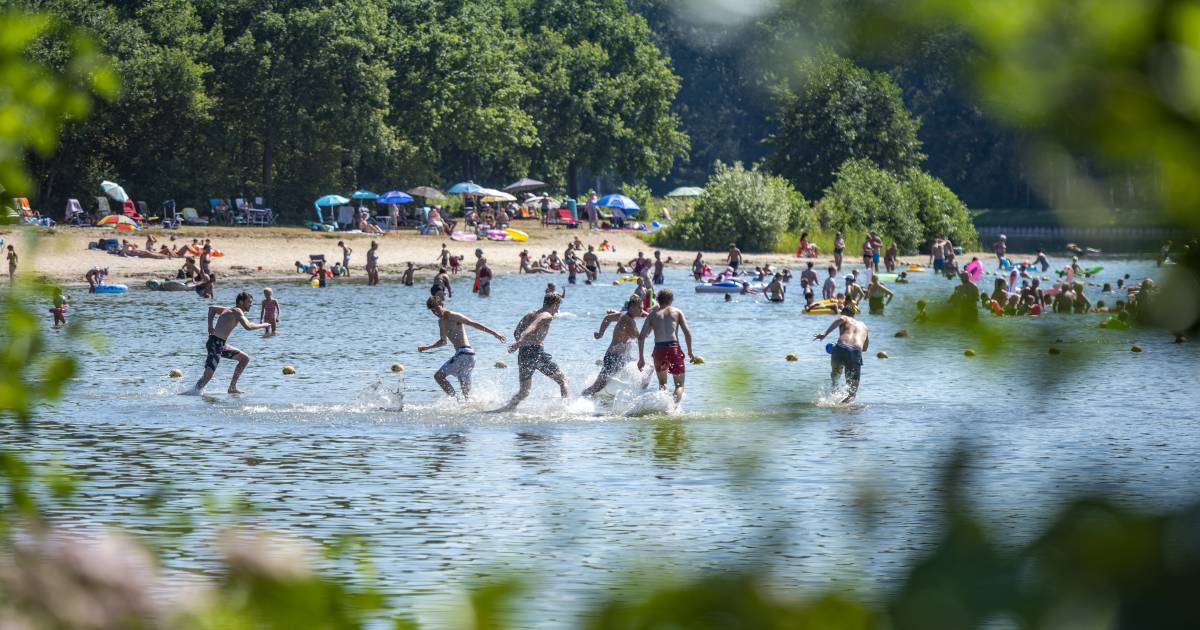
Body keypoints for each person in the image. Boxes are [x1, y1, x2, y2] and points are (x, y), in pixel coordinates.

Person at [418, 295, 507, 399]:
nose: (436, 313)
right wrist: (427, 347)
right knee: (467, 396)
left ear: (442, 305)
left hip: (464, 354)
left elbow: (473, 324)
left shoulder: (453, 315)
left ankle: (455, 400)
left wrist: (495, 334)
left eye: (437, 309)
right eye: (433, 311)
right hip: (468, 357)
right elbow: (443, 341)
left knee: (438, 376)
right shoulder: (440, 322)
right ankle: (464, 404)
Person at [185, 292, 271, 395]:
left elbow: (212, 308)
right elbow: (248, 326)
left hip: (220, 344)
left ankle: (232, 388)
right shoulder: (237, 311)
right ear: (241, 301)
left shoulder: (229, 310)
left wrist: (210, 326)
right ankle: (191, 393)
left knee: (244, 359)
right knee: (207, 376)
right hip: (215, 344)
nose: (251, 304)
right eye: (249, 302)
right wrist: (264, 325)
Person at [496, 293, 570, 411]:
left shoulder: (530, 314)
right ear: (555, 305)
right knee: (564, 380)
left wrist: (520, 343)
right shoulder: (546, 316)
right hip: (536, 352)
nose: (557, 311)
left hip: (524, 353)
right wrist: (521, 341)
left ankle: (506, 409)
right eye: (558, 307)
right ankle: (566, 409)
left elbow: (516, 332)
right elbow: (532, 327)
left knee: (524, 392)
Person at [637, 289, 694, 405]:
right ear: (671, 300)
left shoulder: (652, 315)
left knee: (662, 384)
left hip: (659, 350)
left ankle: (662, 407)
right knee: (679, 385)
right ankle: (671, 409)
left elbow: (641, 337)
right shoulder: (677, 312)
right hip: (673, 348)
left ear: (657, 300)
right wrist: (690, 352)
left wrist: (641, 358)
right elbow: (687, 333)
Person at [582, 295, 645, 397]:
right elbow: (639, 337)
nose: (642, 310)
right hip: (614, 358)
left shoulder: (624, 315)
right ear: (631, 307)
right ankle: (581, 398)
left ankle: (618, 396)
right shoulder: (628, 320)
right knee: (598, 386)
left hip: (622, 358)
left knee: (638, 371)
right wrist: (652, 325)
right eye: (640, 308)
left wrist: (601, 333)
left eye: (642, 308)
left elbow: (608, 318)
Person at [814, 303, 869, 403]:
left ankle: (830, 400)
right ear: (854, 315)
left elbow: (839, 320)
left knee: (835, 378)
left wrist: (824, 334)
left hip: (839, 348)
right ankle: (842, 409)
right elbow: (864, 349)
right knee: (852, 393)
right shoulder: (864, 326)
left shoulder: (845, 318)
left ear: (845, 313)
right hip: (854, 353)